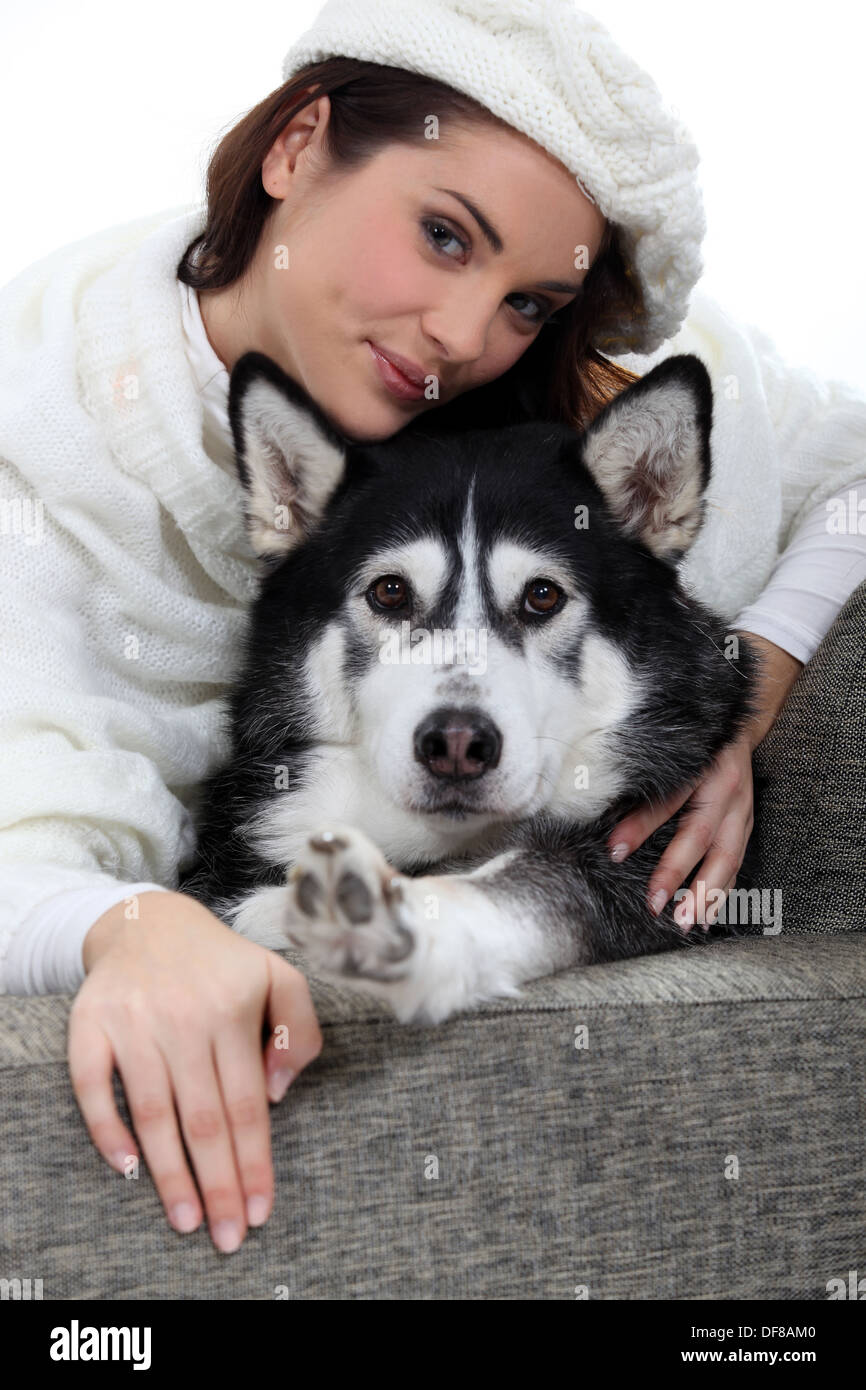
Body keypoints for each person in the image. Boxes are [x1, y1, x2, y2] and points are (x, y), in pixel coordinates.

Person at [1, 0, 864, 1257]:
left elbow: (850, 467)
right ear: (297, 147)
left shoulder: (584, 395)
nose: (466, 338)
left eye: (528, 302)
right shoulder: (40, 457)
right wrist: (129, 924)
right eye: (443, 235)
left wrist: (755, 669)